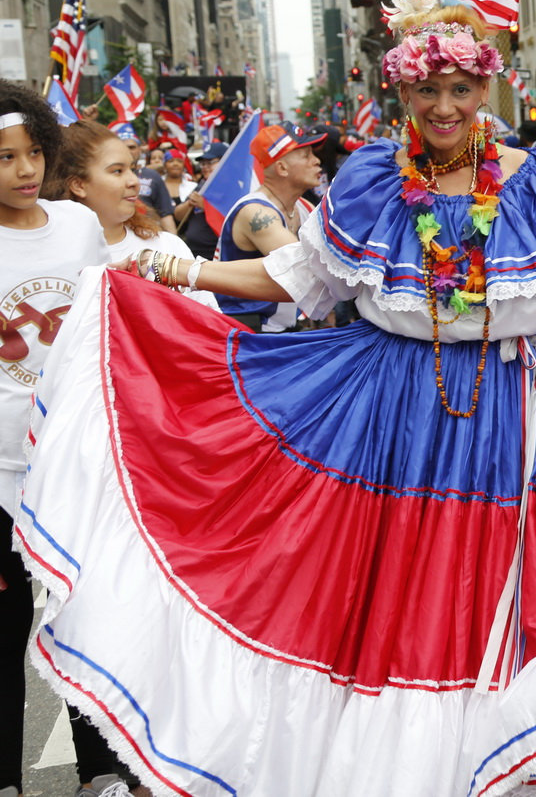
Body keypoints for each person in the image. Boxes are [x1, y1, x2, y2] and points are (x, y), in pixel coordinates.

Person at [18, 0, 536, 796]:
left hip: (508, 418)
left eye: (461, 88)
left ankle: (494, 766)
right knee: (390, 602)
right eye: (426, 89)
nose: (444, 106)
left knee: (493, 599)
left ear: (487, 86)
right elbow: (293, 276)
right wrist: (181, 266)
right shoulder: (371, 176)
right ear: (402, 88)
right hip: (386, 417)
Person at [0, 83, 138, 797]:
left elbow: (107, 327)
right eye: (3, 158)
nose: (23, 170)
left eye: (32, 154)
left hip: (71, 461)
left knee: (82, 617)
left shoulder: (77, 227)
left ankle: (101, 773)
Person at [56, 120, 220, 312]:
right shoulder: (53, 258)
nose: (134, 181)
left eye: (132, 169)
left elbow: (209, 322)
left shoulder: (166, 246)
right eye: (117, 171)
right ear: (78, 185)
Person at [213, 122, 324, 331]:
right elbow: (302, 266)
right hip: (245, 332)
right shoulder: (255, 211)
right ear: (282, 168)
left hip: (279, 331)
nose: (317, 161)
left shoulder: (304, 207)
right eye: (307, 155)